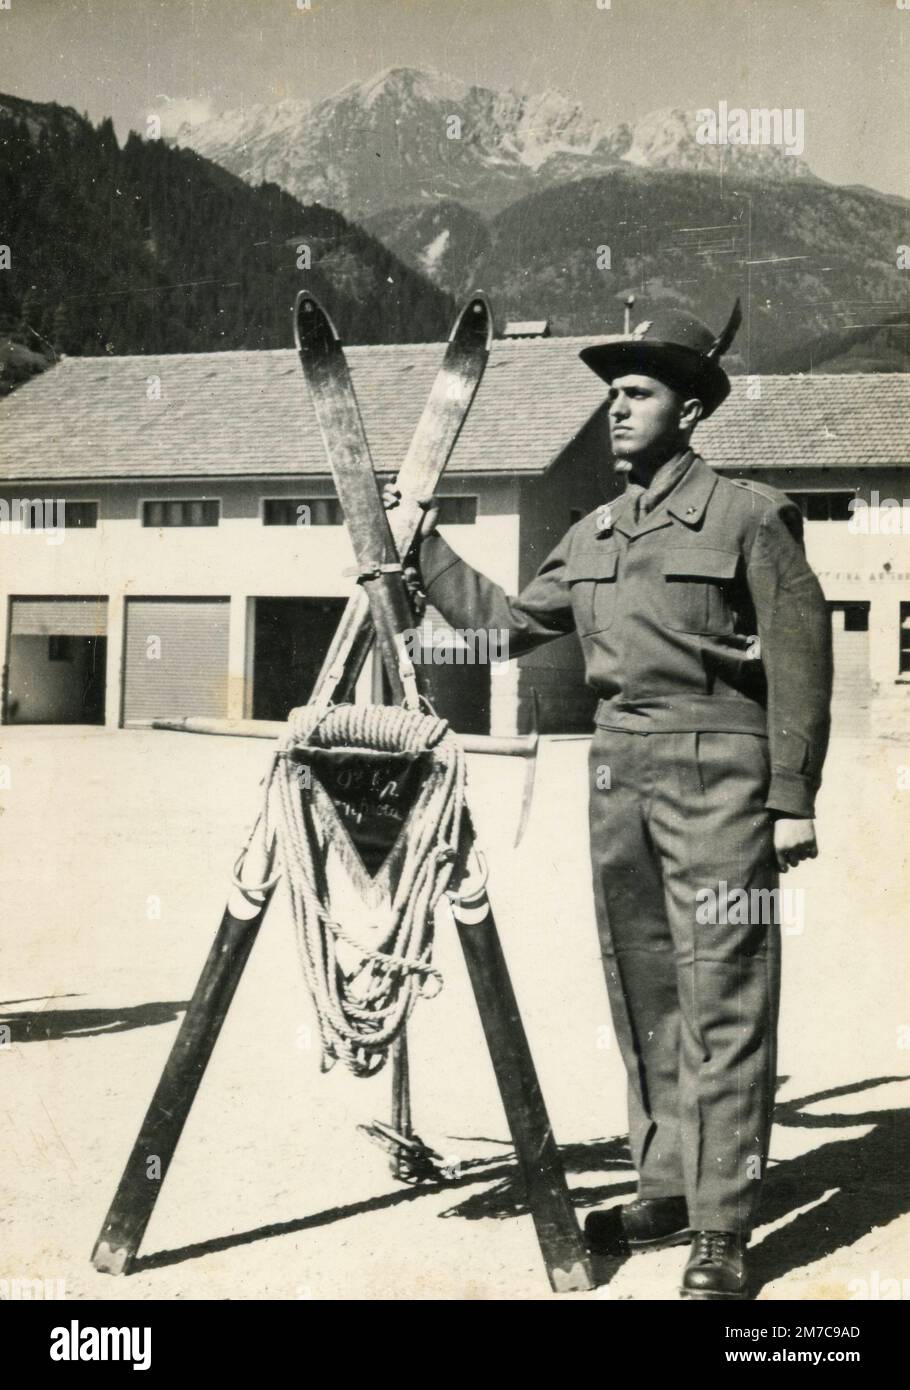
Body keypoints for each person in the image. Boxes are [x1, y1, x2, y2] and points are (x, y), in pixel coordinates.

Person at [385, 303, 833, 1299]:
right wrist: (423, 549)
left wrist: (791, 796)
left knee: (724, 994)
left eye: (635, 394)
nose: (615, 411)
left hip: (722, 767)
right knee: (644, 994)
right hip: (616, 771)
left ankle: (721, 1224)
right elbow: (503, 628)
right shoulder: (594, 529)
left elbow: (802, 654)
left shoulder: (749, 515)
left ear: (688, 407)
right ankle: (667, 1184)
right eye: (611, 396)